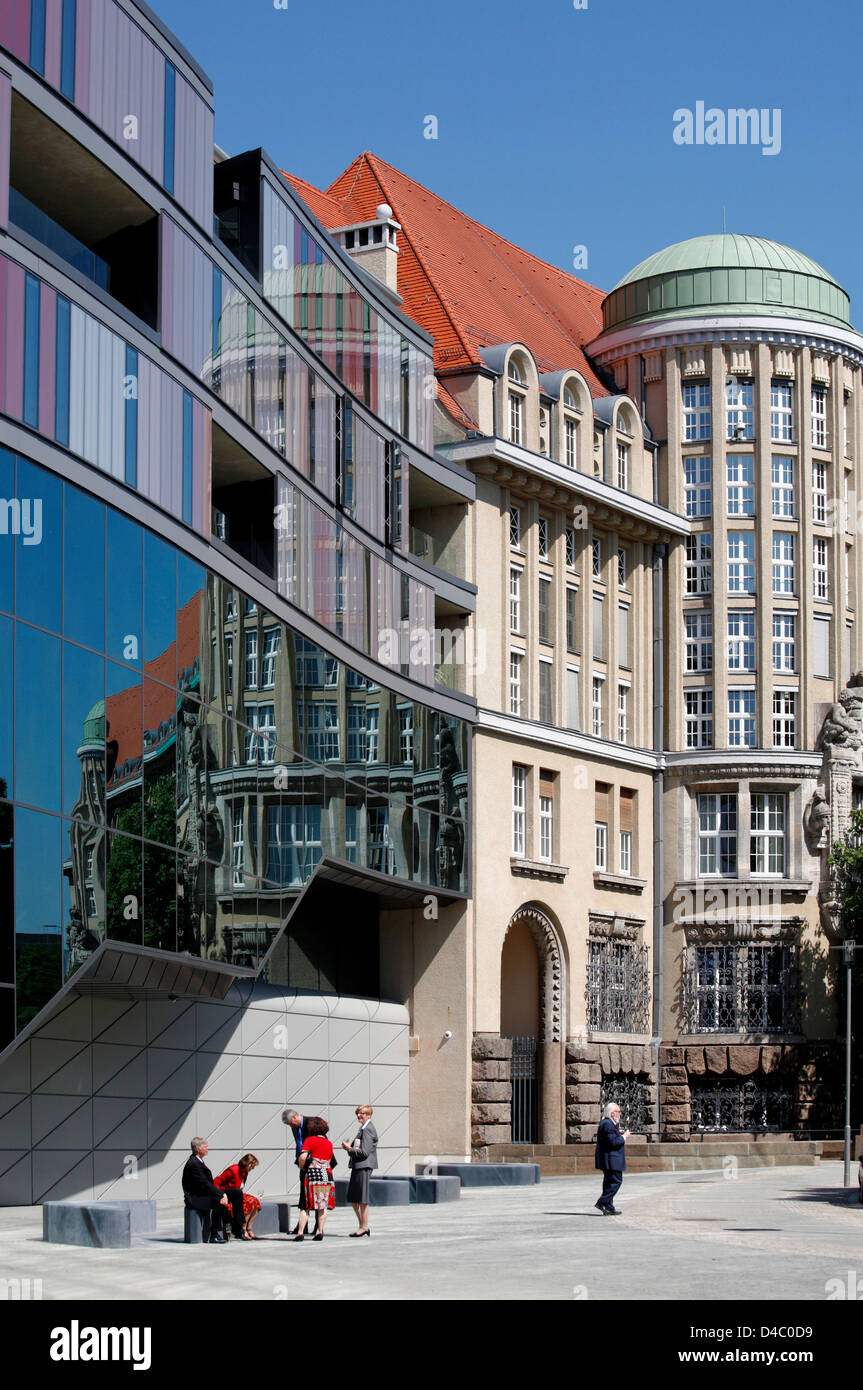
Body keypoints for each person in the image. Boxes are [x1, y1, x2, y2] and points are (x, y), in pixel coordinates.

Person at [182, 1137, 244, 1243]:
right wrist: (221, 1194)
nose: (208, 1149)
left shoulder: (198, 1161)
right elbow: (205, 1184)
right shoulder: (193, 1164)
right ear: (197, 1149)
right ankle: (213, 1234)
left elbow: (207, 1185)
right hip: (196, 1197)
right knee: (217, 1200)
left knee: (237, 1193)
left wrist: (221, 1193)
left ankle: (238, 1228)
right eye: (205, 1147)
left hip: (204, 1192)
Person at [282, 1108, 326, 1234]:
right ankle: (303, 1225)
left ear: (295, 1117)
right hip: (303, 1164)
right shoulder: (294, 1127)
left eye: (290, 1123)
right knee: (304, 1194)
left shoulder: (312, 1123)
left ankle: (319, 1227)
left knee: (318, 1195)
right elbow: (299, 1143)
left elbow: (320, 1142)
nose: (290, 1126)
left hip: (316, 1164)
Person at [294, 1117, 336, 1241]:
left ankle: (300, 1233)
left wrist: (302, 1168)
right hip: (326, 1175)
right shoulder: (329, 1143)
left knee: (306, 1205)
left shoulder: (310, 1140)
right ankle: (319, 1231)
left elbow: (303, 1157)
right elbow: (329, 1160)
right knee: (322, 1205)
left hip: (312, 1174)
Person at [341, 1105, 378, 1237]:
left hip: (363, 1166)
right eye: (357, 1113)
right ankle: (363, 1225)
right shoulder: (363, 1128)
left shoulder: (367, 1129)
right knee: (354, 1198)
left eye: (362, 1113)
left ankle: (364, 1226)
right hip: (358, 1166)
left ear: (369, 1115)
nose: (359, 1115)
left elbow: (364, 1152)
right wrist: (350, 1148)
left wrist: (349, 1149)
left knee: (362, 1198)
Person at [214, 1153, 262, 1238]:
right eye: (252, 1166)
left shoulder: (244, 1173)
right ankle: (242, 1229)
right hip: (228, 1195)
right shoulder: (233, 1170)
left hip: (238, 1195)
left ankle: (249, 1228)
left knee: (255, 1201)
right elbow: (216, 1182)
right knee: (248, 1203)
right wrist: (222, 1194)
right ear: (248, 1163)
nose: (252, 1168)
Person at [594, 1102, 629, 1216]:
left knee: (609, 1183)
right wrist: (624, 1137)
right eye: (618, 1112)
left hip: (610, 1160)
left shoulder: (608, 1124)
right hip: (611, 1160)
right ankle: (602, 1202)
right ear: (613, 1113)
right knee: (616, 1181)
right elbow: (613, 1142)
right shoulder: (607, 1124)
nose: (620, 1114)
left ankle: (608, 1206)